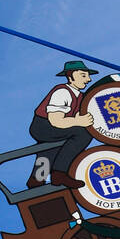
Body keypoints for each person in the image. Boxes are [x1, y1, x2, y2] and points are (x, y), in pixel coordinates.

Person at [28, 61, 96, 191]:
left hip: (55, 127)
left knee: (50, 151)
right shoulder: (62, 92)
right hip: (43, 126)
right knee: (82, 133)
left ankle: (36, 180)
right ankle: (59, 173)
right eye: (83, 75)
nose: (88, 79)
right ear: (70, 77)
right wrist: (78, 122)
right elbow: (55, 121)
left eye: (87, 75)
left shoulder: (80, 96)